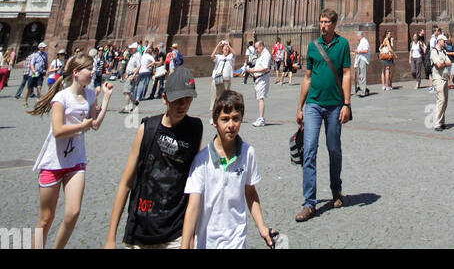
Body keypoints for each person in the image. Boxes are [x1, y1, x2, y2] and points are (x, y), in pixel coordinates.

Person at [105, 67, 202, 249]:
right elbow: (126, 183)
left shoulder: (195, 129)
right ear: (165, 98)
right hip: (141, 229)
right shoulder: (148, 128)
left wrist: (189, 236)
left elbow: (193, 183)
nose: (182, 105)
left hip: (175, 232)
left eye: (187, 100)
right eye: (177, 100)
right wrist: (111, 239)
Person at [30, 52, 113, 248]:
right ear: (76, 72)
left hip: (76, 160)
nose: (93, 72)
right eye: (89, 69)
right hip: (53, 162)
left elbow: (94, 124)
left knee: (73, 212)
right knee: (45, 218)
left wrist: (107, 99)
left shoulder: (91, 94)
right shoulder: (61, 97)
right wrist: (80, 127)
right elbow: (58, 131)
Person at [182, 89, 273, 249]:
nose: (231, 125)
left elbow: (250, 192)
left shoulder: (248, 152)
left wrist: (262, 227)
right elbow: (193, 205)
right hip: (207, 240)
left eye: (236, 119)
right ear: (215, 121)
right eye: (225, 119)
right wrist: (185, 245)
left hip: (236, 239)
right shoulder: (202, 160)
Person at [296, 9, 352, 222]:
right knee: (309, 149)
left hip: (335, 105)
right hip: (313, 104)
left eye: (327, 22)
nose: (323, 25)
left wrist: (347, 103)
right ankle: (309, 202)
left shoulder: (343, 45)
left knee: (334, 149)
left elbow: (346, 74)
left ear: (335, 24)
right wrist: (299, 106)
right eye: (321, 21)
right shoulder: (312, 46)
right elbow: (307, 78)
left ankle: (336, 190)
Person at [430, 34, 451, 130]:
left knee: (445, 101)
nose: (445, 42)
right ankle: (437, 123)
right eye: (444, 41)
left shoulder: (443, 52)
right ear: (439, 41)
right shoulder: (434, 51)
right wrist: (443, 63)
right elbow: (438, 65)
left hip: (444, 77)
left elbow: (449, 63)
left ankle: (442, 122)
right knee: (441, 100)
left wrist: (443, 62)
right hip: (438, 78)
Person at [249, 40, 271, 127]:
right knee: (259, 98)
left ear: (262, 46)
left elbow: (265, 68)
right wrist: (250, 69)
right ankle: (261, 118)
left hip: (262, 78)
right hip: (259, 78)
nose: (256, 50)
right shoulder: (262, 54)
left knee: (260, 98)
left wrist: (253, 70)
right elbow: (259, 66)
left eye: (257, 48)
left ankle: (261, 118)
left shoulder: (266, 54)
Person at [210, 40, 235, 111]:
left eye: (227, 48)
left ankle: (223, 112)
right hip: (217, 79)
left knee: (225, 97)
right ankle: (213, 114)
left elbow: (235, 53)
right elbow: (212, 56)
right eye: (225, 48)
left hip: (226, 80)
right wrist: (218, 46)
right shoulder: (218, 57)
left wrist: (229, 45)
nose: (226, 49)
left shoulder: (230, 57)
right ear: (222, 49)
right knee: (215, 96)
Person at [354, 30, 370, 97]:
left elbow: (366, 50)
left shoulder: (364, 41)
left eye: (357, 37)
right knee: (360, 76)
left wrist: (358, 51)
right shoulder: (361, 42)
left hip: (363, 60)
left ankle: (363, 92)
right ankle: (363, 89)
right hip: (360, 60)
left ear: (359, 36)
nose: (357, 38)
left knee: (362, 76)